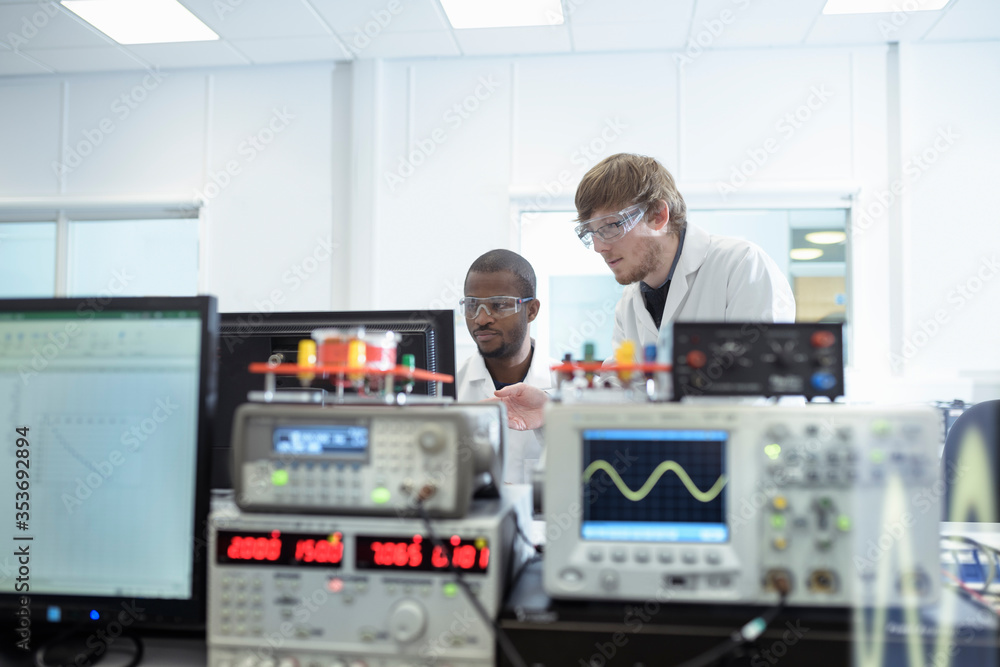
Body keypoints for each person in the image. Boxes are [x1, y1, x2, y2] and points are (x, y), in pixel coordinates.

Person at [495, 153, 795, 430]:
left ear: (657, 216)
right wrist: (550, 408)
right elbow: (622, 392)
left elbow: (753, 392)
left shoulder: (740, 265)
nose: (599, 246)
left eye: (610, 226)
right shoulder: (630, 305)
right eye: (591, 233)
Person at [456, 249, 554, 483]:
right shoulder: (449, 389)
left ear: (531, 310)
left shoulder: (569, 389)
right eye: (472, 305)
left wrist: (552, 419)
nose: (481, 319)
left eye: (498, 305)